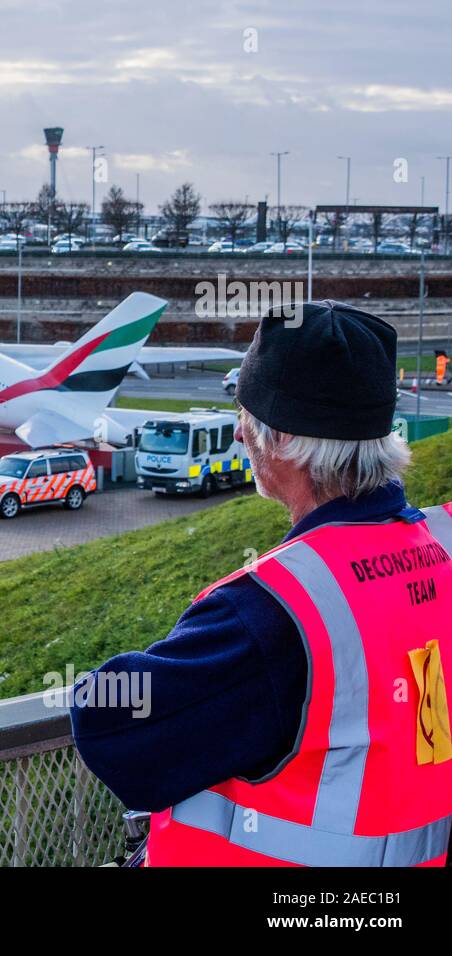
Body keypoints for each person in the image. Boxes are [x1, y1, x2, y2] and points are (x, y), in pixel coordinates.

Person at [72, 301, 452, 866]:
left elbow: (110, 724)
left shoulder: (275, 611)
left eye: (246, 417)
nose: (239, 434)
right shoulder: (442, 545)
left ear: (282, 443)